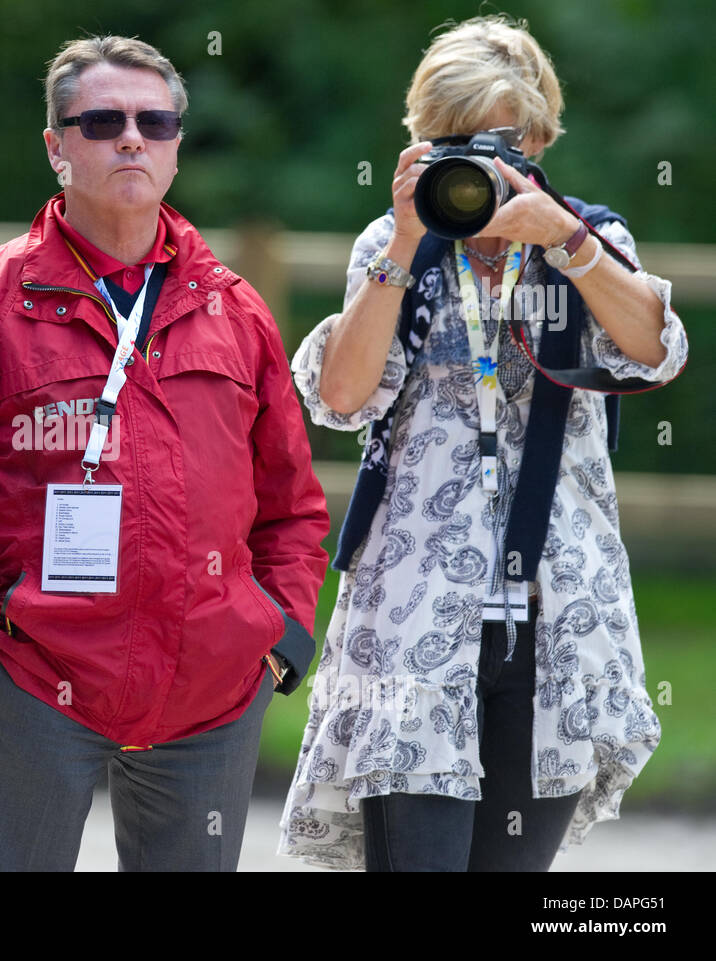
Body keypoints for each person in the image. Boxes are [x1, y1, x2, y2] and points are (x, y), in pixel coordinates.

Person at [280, 15, 687, 871]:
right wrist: (399, 242)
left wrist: (564, 242)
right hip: (416, 614)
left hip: (560, 617)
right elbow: (342, 396)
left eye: (493, 139)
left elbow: (656, 349)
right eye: (445, 139)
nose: (469, 160)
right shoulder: (397, 248)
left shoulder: (589, 240)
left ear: (538, 139)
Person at [0, 36, 329, 872]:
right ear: (56, 147)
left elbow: (290, 501)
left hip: (212, 687)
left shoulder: (234, 308)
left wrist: (279, 633)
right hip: (32, 676)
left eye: (154, 120)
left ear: (176, 145)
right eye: (101, 121)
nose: (130, 138)